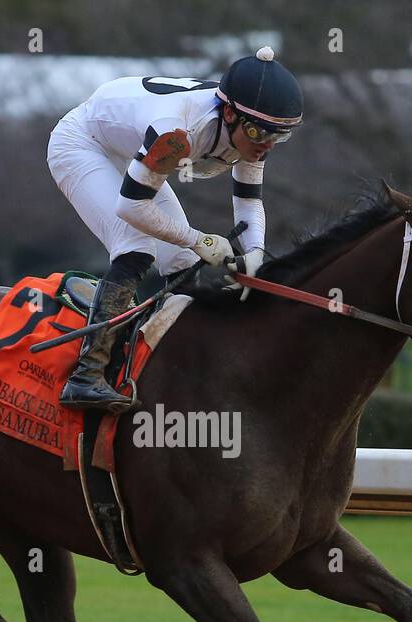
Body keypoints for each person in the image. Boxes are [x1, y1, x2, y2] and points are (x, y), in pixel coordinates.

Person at [46, 46, 303, 413]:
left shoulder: (252, 129)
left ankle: (184, 366)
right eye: (258, 133)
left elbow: (248, 200)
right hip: (83, 144)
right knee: (136, 247)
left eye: (279, 136)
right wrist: (200, 239)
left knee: (181, 261)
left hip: (130, 149)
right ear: (229, 113)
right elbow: (131, 207)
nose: (266, 145)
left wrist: (255, 256)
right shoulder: (177, 133)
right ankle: (86, 376)